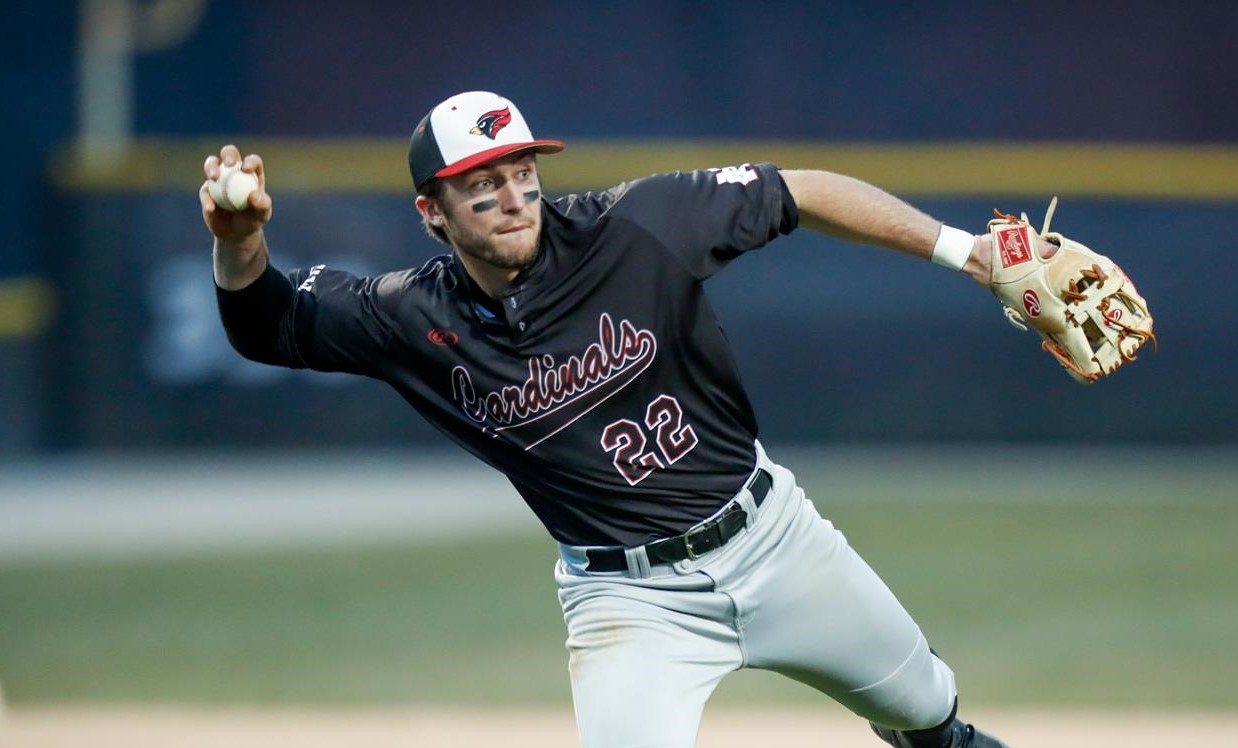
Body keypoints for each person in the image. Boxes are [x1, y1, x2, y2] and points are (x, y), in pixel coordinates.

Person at [202, 90, 1024, 748]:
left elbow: (797, 191)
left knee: (933, 716)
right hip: (629, 604)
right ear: (433, 211)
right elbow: (264, 323)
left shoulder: (634, 226)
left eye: (522, 170)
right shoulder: (410, 315)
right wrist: (239, 242)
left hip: (775, 540)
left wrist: (968, 252)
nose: (512, 196)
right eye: (481, 184)